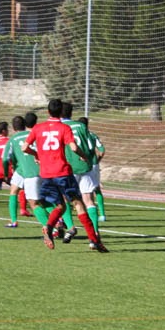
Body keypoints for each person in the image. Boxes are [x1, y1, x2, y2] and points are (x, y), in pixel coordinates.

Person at [22, 99, 108, 253]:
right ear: (61, 112)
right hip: (62, 171)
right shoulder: (63, 127)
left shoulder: (38, 128)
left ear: (48, 112)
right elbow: (74, 147)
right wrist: (84, 156)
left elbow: (24, 147)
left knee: (60, 205)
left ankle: (48, 227)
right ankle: (95, 241)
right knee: (78, 203)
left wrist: (36, 154)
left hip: (46, 174)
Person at [59, 102, 99, 240]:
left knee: (64, 199)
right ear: (71, 113)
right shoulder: (81, 126)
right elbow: (91, 144)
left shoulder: (60, 128)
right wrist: (86, 157)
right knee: (88, 200)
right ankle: (94, 236)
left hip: (69, 168)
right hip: (85, 167)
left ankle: (70, 228)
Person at [3, 114, 45, 228]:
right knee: (15, 190)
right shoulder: (35, 135)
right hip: (36, 168)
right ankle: (13, 221)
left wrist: (6, 174)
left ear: (13, 127)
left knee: (33, 201)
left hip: (27, 170)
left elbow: (5, 159)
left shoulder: (13, 139)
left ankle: (52, 225)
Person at [79, 116, 107, 222]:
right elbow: (102, 150)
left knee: (82, 191)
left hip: (82, 165)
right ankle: (102, 214)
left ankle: (84, 212)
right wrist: (97, 160)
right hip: (94, 164)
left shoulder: (78, 135)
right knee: (96, 188)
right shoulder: (93, 135)